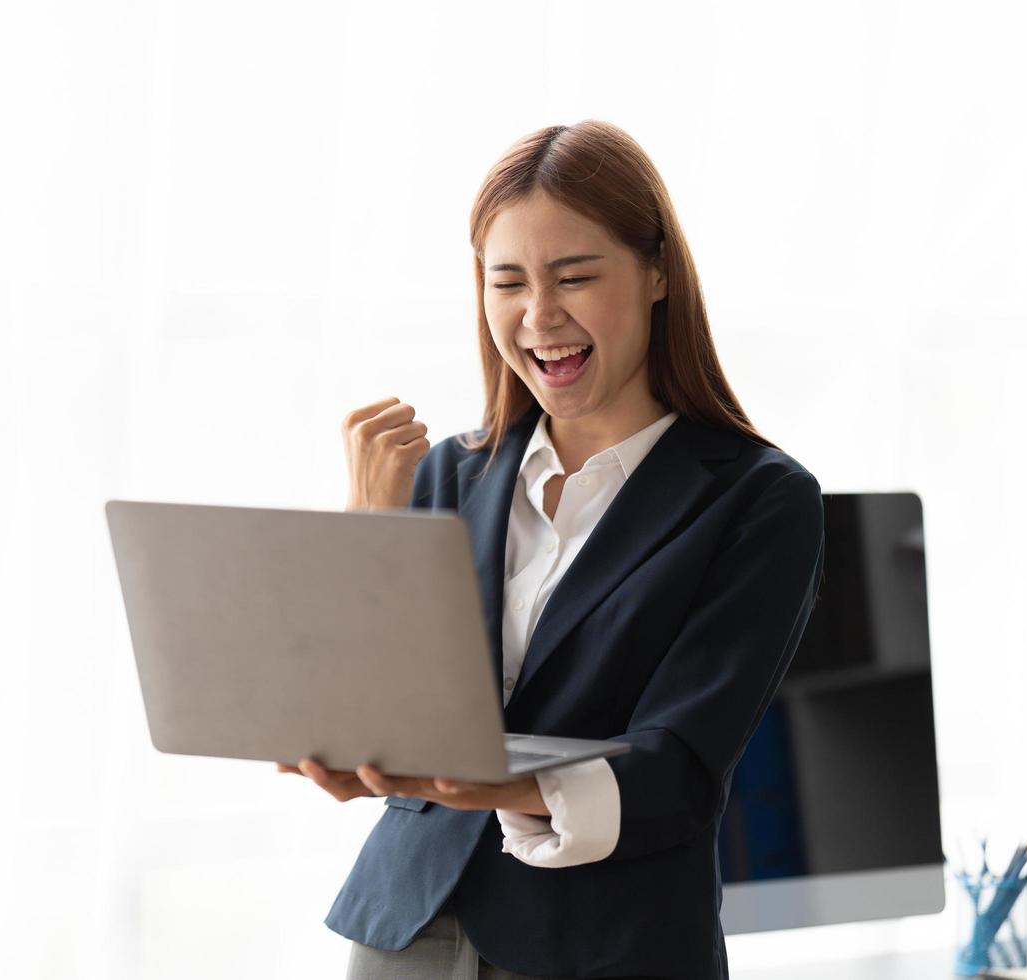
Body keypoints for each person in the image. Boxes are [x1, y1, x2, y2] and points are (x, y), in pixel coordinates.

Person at [276, 119, 825, 979]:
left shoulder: (757, 500)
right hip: (408, 926)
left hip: (609, 945)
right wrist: (366, 526)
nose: (539, 317)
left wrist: (499, 786)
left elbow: (678, 767)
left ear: (656, 274)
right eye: (508, 282)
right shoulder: (453, 474)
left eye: (574, 276)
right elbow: (370, 712)